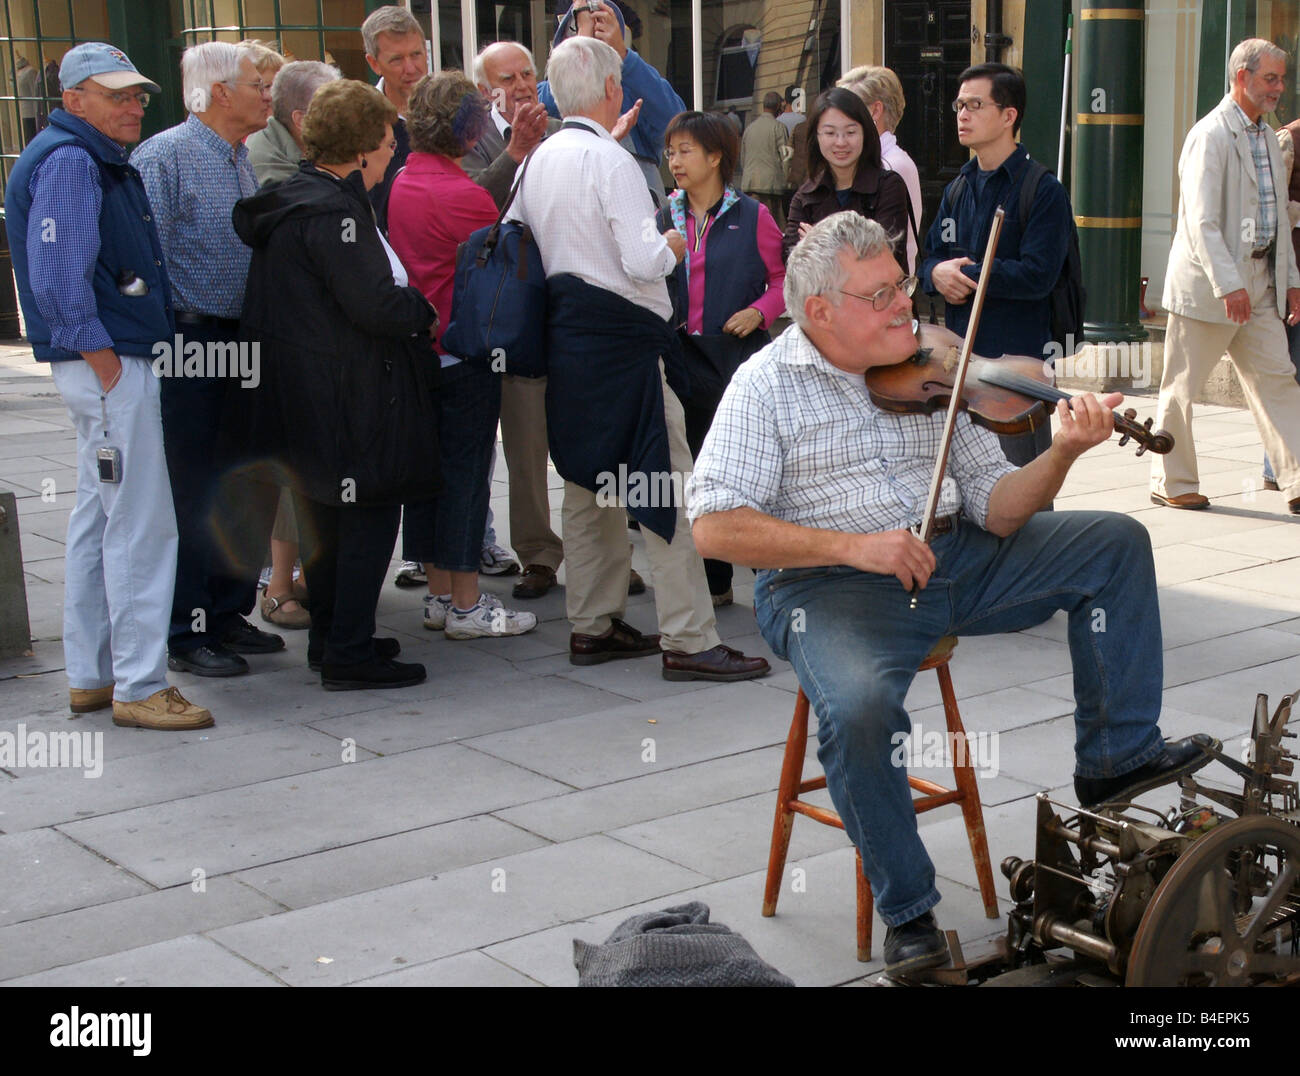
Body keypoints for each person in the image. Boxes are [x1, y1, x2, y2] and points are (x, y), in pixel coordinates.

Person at [687, 211, 1216, 975]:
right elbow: (714, 526)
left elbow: (998, 507)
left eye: (902, 282)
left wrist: (1062, 454)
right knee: (862, 709)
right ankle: (910, 914)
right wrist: (855, 547)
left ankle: (1116, 756)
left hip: (956, 556)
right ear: (821, 314)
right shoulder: (765, 386)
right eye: (881, 296)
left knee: (1115, 544)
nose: (905, 304)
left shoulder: (937, 365)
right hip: (831, 586)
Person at [508, 36, 768, 682]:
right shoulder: (612, 163)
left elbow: (522, 236)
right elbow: (642, 260)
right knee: (663, 485)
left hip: (568, 338)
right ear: (611, 91)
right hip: (626, 342)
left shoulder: (538, 160)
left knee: (586, 483)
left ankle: (591, 626)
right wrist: (674, 242)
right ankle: (688, 635)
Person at [5, 42, 211, 730]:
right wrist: (106, 364)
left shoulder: (79, 156)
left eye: (137, 96)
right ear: (74, 101)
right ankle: (140, 685)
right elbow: (59, 283)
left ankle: (97, 677)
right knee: (139, 524)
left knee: (102, 515)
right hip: (107, 364)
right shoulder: (72, 159)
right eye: (116, 95)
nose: (133, 106)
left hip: (104, 362)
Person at [233, 79, 436, 690]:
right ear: (367, 146)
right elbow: (373, 305)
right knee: (368, 516)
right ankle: (347, 650)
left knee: (329, 518)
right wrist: (420, 310)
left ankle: (334, 638)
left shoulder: (298, 198)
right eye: (385, 138)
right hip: (348, 394)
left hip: (307, 393)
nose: (390, 149)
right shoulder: (333, 209)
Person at [131, 42, 283, 678]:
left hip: (241, 339)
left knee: (242, 480)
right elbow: (143, 260)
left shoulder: (240, 157)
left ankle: (226, 612)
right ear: (221, 92)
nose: (266, 93)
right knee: (194, 489)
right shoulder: (164, 155)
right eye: (256, 84)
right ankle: (186, 630)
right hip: (191, 342)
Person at [387, 72, 539, 639]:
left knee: (431, 478)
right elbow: (503, 248)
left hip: (422, 350)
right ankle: (468, 604)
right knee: (466, 479)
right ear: (470, 128)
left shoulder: (404, 180)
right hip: (464, 350)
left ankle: (438, 594)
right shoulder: (463, 194)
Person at [1151, 38, 1300, 514]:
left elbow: (1279, 218)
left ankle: (1297, 480)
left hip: (1261, 282)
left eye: (1281, 78)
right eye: (1270, 78)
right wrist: (1228, 284)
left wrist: (1291, 279)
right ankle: (1170, 482)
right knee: (1181, 388)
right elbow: (1201, 222)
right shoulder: (1209, 134)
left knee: (1279, 379)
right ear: (1242, 77)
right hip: (1211, 286)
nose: (1279, 88)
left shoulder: (1266, 135)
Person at [658, 110, 785, 607]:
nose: (675, 161)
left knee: (743, 466)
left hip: (733, 359)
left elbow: (781, 283)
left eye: (686, 150)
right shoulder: (662, 215)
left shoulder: (753, 215)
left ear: (716, 157)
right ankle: (712, 580)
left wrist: (759, 312)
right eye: (671, 151)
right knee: (691, 468)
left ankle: (773, 570)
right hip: (679, 357)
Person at [920, 62, 1072, 468]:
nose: (962, 115)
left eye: (974, 104)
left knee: (1023, 489)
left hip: (1016, 370)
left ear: (1009, 116)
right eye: (958, 105)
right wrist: (936, 274)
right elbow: (929, 257)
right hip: (958, 366)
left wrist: (965, 275)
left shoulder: (1043, 189)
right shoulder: (957, 188)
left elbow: (1039, 275)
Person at [541, 2, 685, 203]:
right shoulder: (545, 93)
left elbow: (676, 123)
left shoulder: (636, 86)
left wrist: (621, 55)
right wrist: (581, 46)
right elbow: (550, 102)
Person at [783, 87, 908, 270]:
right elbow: (792, 262)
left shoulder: (889, 186)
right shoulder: (805, 196)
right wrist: (856, 250)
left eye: (850, 132)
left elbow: (886, 256)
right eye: (830, 133)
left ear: (865, 134)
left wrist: (818, 244)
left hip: (877, 298)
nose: (841, 142)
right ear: (816, 137)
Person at [839, 65, 923, 274]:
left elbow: (881, 248)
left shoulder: (892, 166)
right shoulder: (873, 161)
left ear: (875, 110)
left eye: (847, 110)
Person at [361, 4, 426, 230]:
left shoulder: (449, 109)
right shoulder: (360, 122)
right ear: (373, 63)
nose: (411, 68)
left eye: (416, 54)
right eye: (397, 59)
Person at [1268, 113, 1300, 492]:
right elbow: (1273, 210)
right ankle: (1276, 466)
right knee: (1288, 373)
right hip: (1294, 272)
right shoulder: (1288, 139)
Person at [247, 60, 340, 185]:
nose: (342, 119)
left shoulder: (292, 143)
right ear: (301, 120)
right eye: (333, 111)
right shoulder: (273, 170)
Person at [739, 91, 790, 230]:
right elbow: (786, 158)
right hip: (771, 187)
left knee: (752, 227)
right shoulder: (778, 128)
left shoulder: (749, 129)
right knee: (774, 228)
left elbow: (743, 158)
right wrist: (786, 181)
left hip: (749, 186)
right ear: (778, 107)